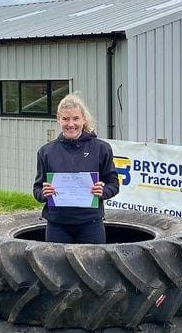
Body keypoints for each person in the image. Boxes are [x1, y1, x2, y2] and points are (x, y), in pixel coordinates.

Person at [33, 92, 120, 243]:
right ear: (58, 120)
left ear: (84, 119)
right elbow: (37, 189)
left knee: (93, 260)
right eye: (65, 119)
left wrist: (103, 191)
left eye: (76, 118)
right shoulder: (46, 152)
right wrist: (44, 193)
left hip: (91, 224)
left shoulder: (101, 149)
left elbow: (113, 184)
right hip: (57, 225)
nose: (71, 124)